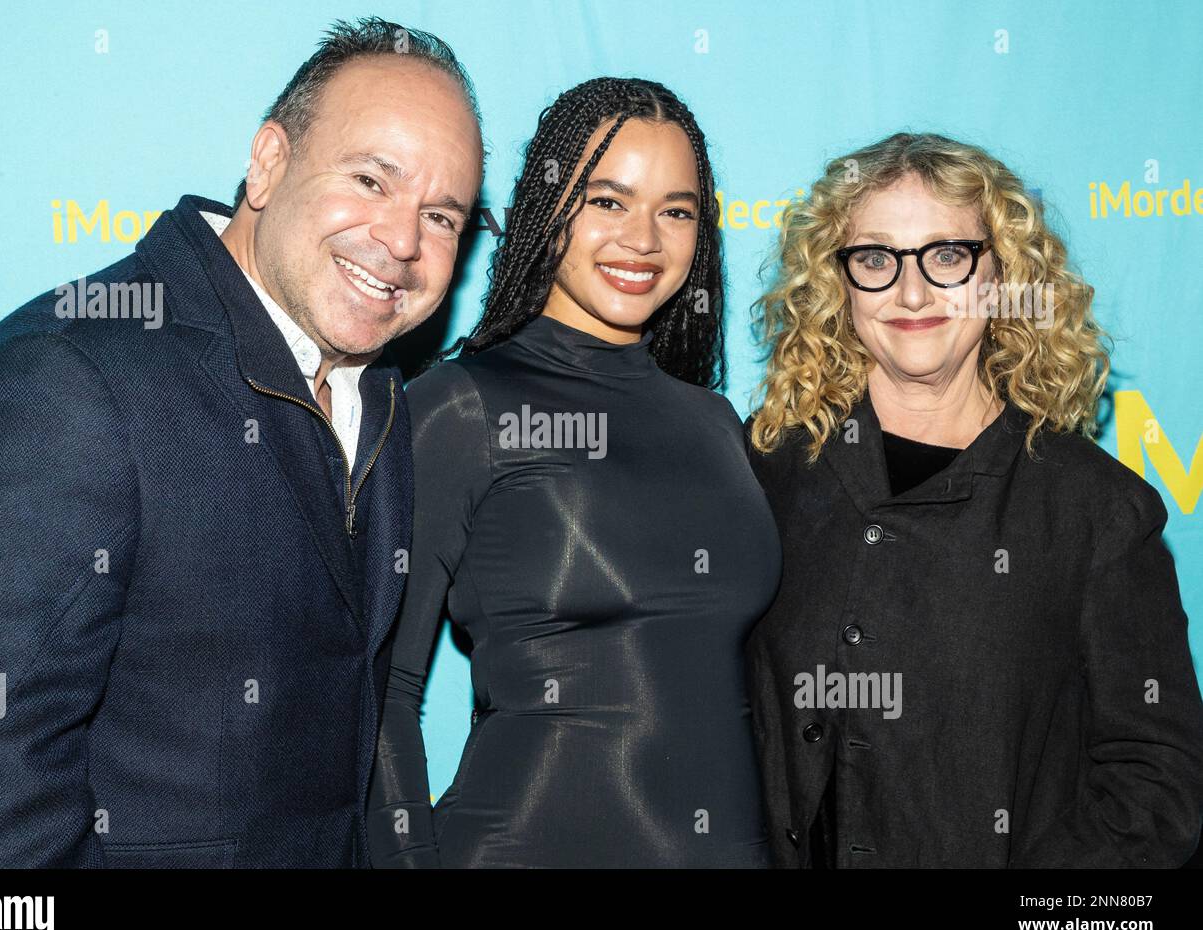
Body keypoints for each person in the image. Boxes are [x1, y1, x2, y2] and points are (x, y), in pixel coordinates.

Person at [0, 17, 483, 868]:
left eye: (442, 215)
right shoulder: (68, 378)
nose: (402, 241)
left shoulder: (380, 395)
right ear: (269, 162)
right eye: (369, 179)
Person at [745, 131, 1203, 868]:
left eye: (948, 255)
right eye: (875, 259)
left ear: (1002, 276)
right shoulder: (769, 468)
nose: (912, 291)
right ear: (838, 283)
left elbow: (1156, 787)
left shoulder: (1095, 510)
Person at [368, 77, 779, 868]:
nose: (645, 239)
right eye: (608, 201)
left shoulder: (718, 424)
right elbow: (380, 692)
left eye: (677, 209)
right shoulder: (460, 406)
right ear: (548, 210)